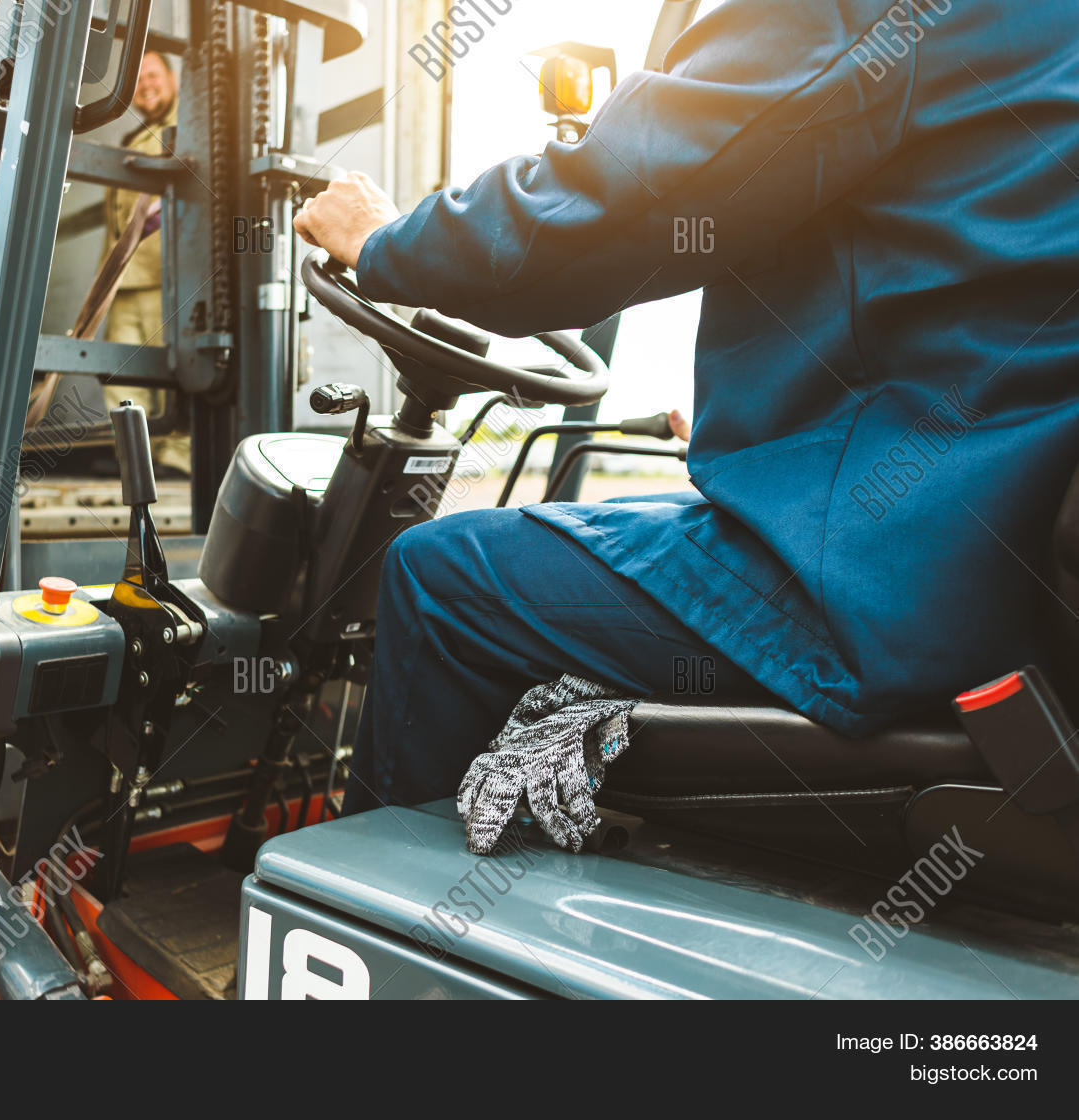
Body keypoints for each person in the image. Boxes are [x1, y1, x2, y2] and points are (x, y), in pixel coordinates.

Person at [293, 0, 1079, 812]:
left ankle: (401, 923)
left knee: (438, 576)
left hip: (884, 586)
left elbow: (625, 201)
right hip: (989, 546)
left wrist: (387, 242)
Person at [101, 49, 190, 474]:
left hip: (167, 277)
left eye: (152, 75)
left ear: (173, 79)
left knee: (176, 371)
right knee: (123, 374)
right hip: (124, 280)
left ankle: (177, 463)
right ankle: (134, 464)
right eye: (136, 81)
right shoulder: (134, 139)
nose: (145, 85)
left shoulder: (191, 128)